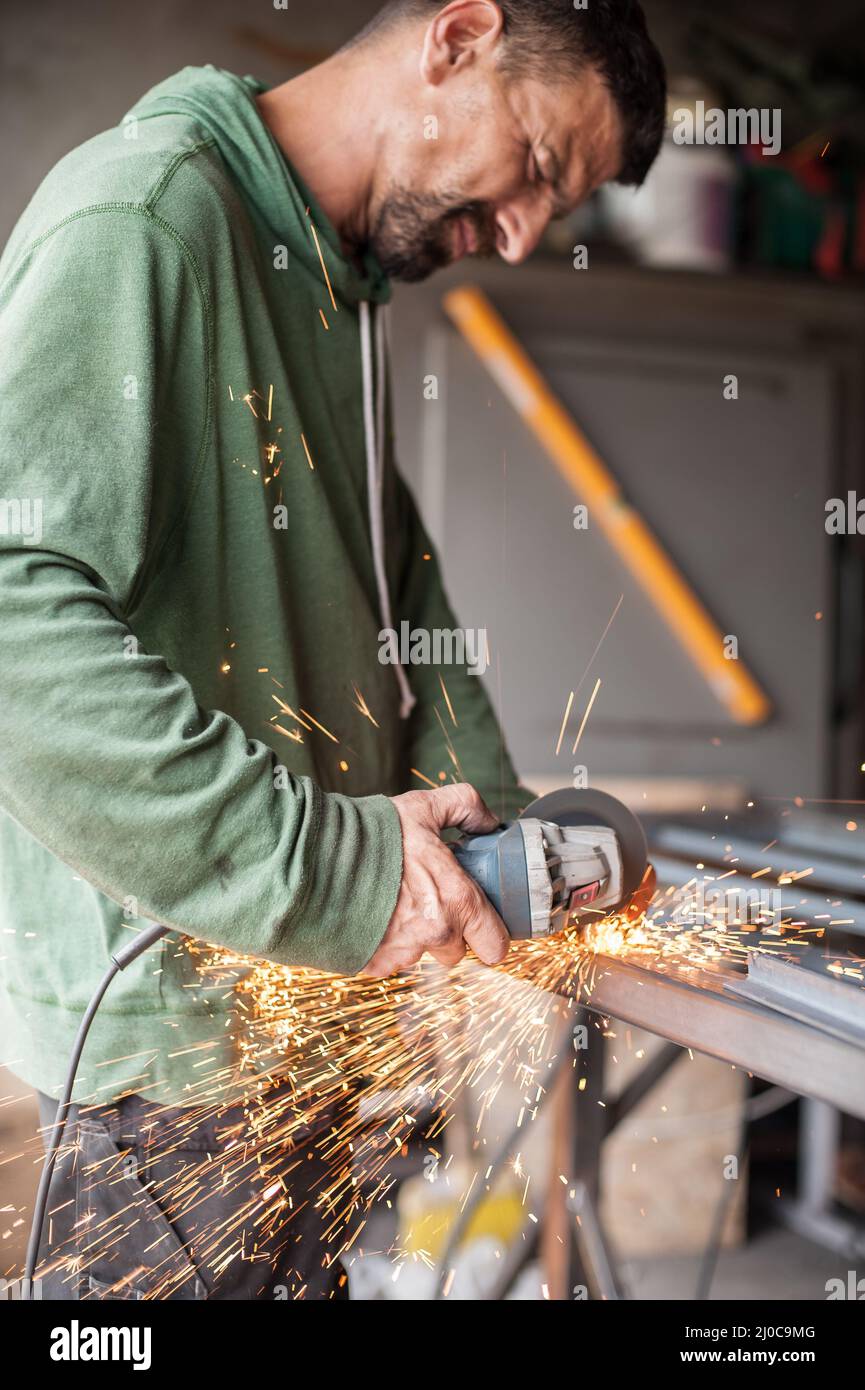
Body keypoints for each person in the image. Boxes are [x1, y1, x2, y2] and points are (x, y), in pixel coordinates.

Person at [0, 0, 665, 1298]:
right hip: (175, 1062)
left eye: (558, 208)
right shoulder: (146, 222)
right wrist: (345, 875)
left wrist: (517, 839)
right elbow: (12, 621)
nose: (524, 233)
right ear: (459, 37)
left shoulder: (333, 296)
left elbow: (399, 614)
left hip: (308, 1013)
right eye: (536, 163)